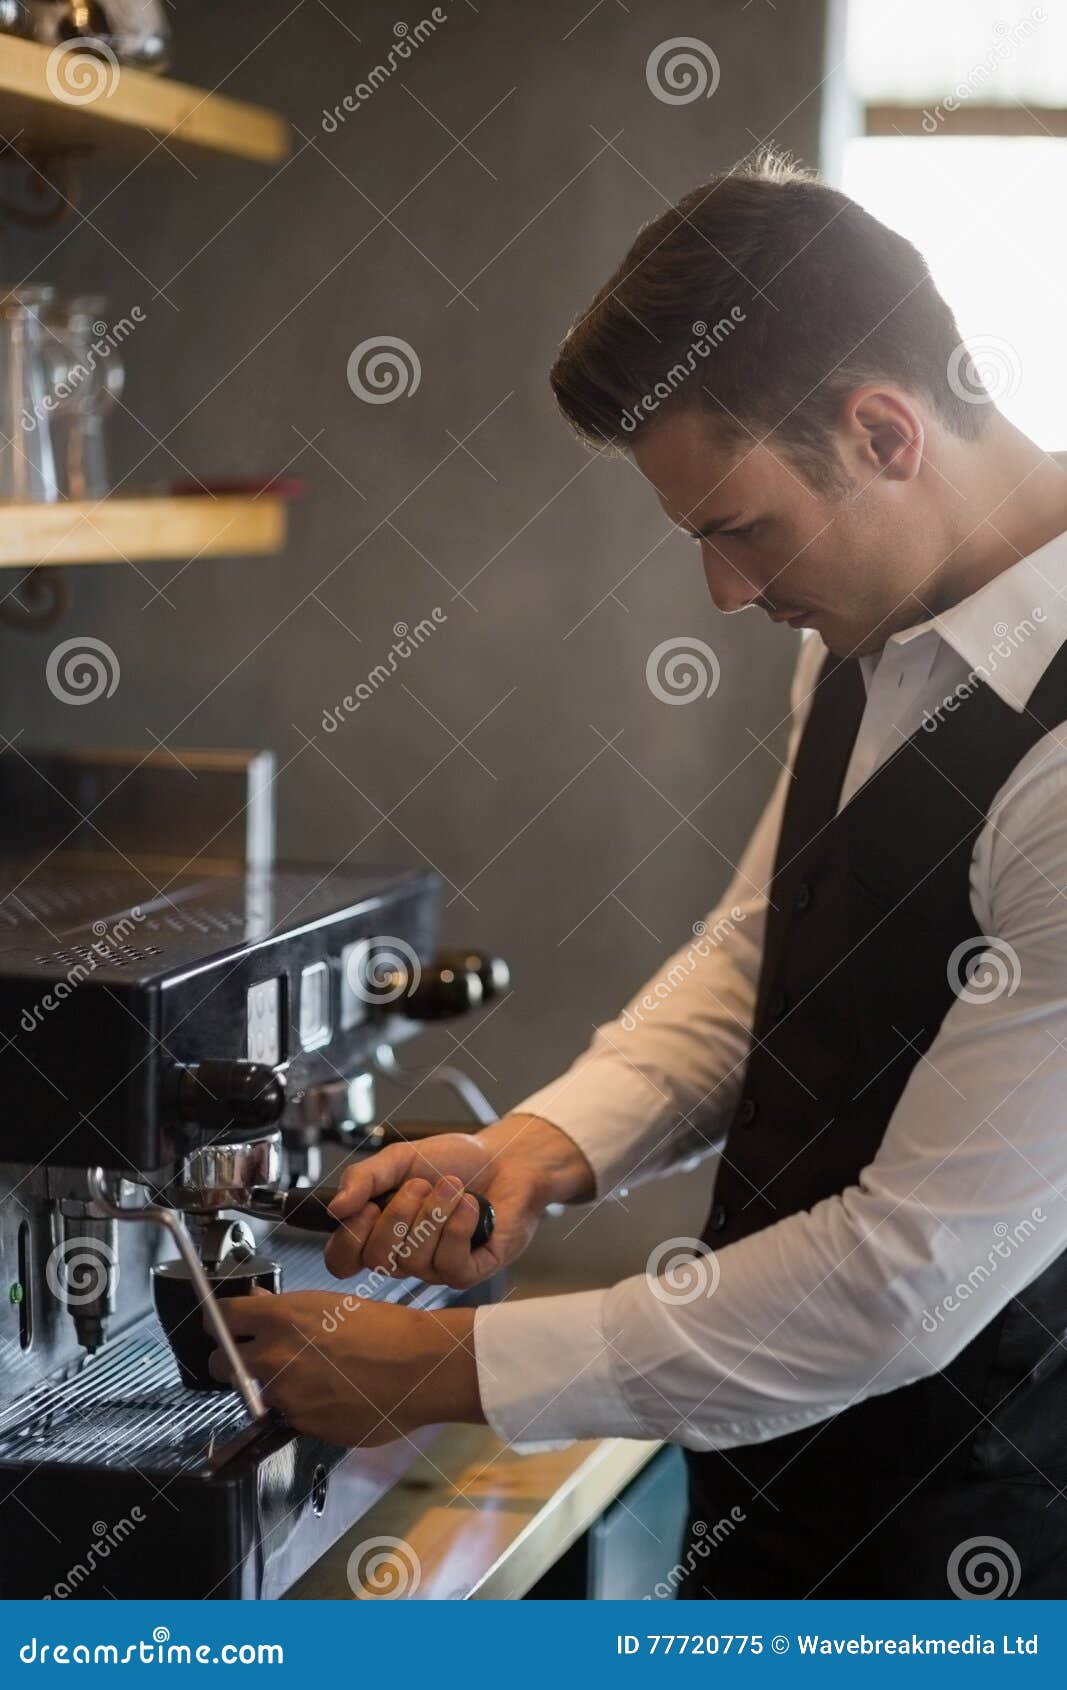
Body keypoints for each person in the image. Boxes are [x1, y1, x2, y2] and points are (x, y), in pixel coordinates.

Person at [210, 153, 1067, 1598]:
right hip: (767, 1477)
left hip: (978, 1535)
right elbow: (761, 953)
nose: (727, 595)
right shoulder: (866, 633)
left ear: (883, 431)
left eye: (738, 529)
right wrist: (539, 1151)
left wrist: (444, 1364)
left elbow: (909, 1280)